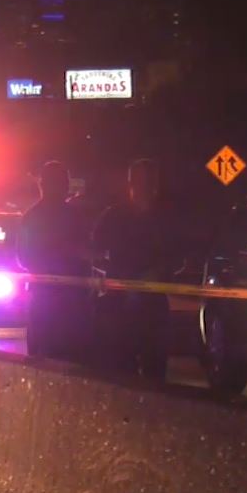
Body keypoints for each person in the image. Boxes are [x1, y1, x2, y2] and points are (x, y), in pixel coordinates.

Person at [89, 158, 194, 379]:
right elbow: (95, 252)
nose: (144, 187)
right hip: (119, 304)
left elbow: (180, 256)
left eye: (149, 182)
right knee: (121, 370)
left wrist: (160, 271)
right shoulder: (113, 217)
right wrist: (115, 273)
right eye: (139, 181)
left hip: (152, 304)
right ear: (131, 183)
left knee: (154, 370)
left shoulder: (165, 218)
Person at [15, 161, 89, 359]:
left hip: (65, 298)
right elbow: (25, 257)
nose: (62, 188)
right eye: (58, 183)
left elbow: (23, 258)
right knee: (47, 357)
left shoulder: (73, 215)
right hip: (49, 297)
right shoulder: (34, 217)